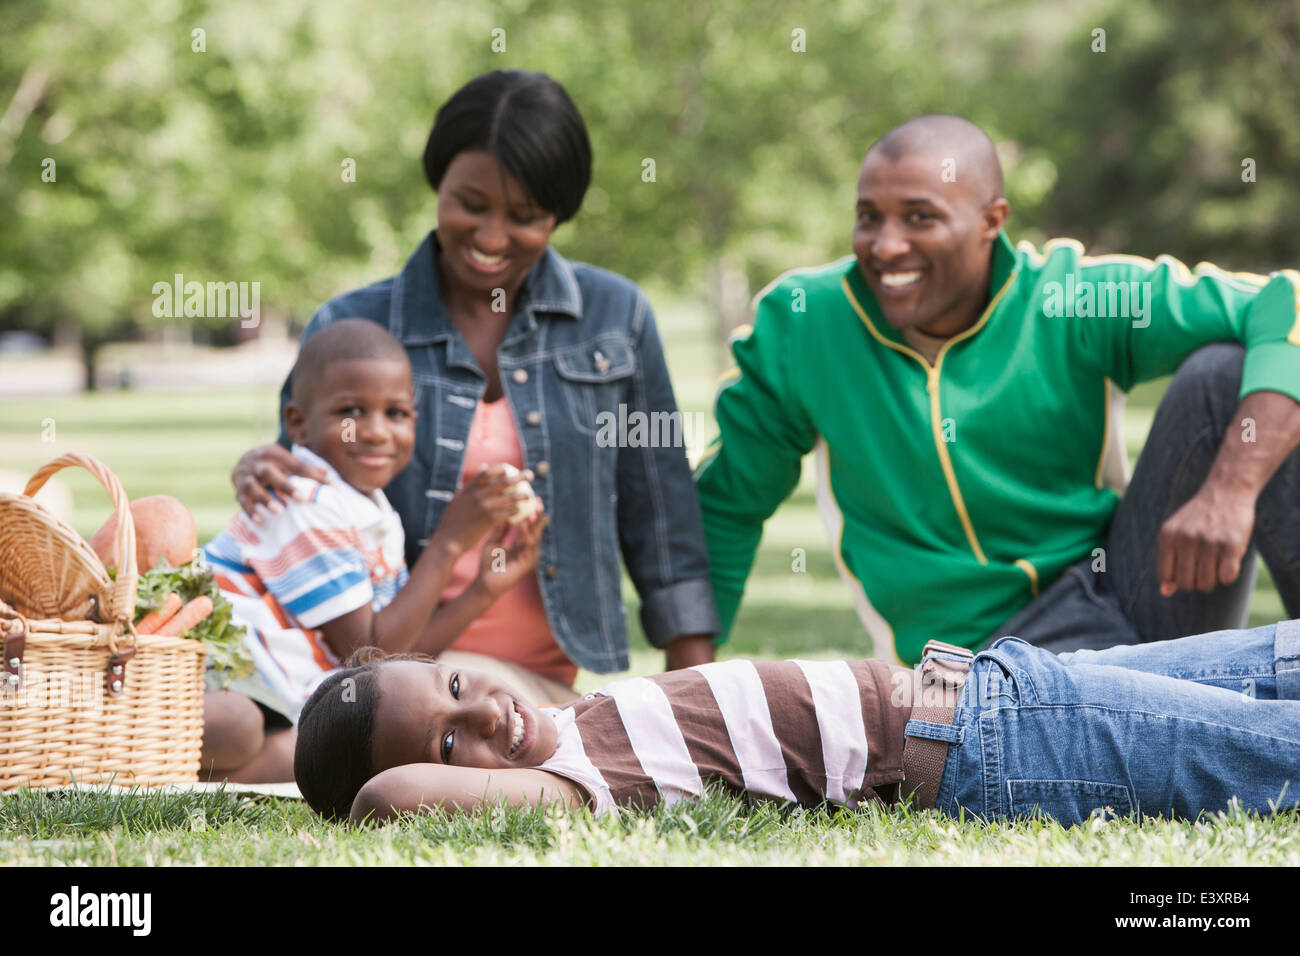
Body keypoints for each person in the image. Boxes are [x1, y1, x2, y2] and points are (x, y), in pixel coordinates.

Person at [694, 114, 1300, 665]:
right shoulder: (805, 323)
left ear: (992, 221)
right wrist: (681, 695)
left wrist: (1230, 488)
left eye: (919, 216)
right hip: (974, 667)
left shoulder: (1071, 299)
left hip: (1130, 599)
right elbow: (725, 506)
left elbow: (1285, 302)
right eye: (868, 216)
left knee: (1224, 376)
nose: (885, 246)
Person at [229, 70, 718, 701]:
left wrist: (695, 704)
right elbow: (307, 518)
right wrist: (259, 472)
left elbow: (664, 518)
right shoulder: (351, 329)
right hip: (395, 681)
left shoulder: (615, 316)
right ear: (439, 182)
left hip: (543, 686)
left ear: (559, 214)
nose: (491, 238)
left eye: (525, 216)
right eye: (472, 204)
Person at [293, 618, 1300, 828]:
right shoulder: (577, 780)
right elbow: (385, 794)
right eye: (448, 740)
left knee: (1279, 657)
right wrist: (375, 771)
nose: (481, 713)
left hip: (996, 680)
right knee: (1270, 751)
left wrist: (430, 692)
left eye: (459, 683)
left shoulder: (583, 713)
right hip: (999, 745)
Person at [200, 319, 546, 782]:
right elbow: (369, 656)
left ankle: (207, 773)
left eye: (396, 413)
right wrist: (449, 543)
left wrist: (482, 590)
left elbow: (398, 660)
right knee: (250, 731)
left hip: (271, 692)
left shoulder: (368, 508)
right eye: (351, 411)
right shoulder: (303, 502)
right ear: (298, 424)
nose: (377, 431)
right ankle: (150, 760)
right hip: (219, 674)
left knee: (336, 754)